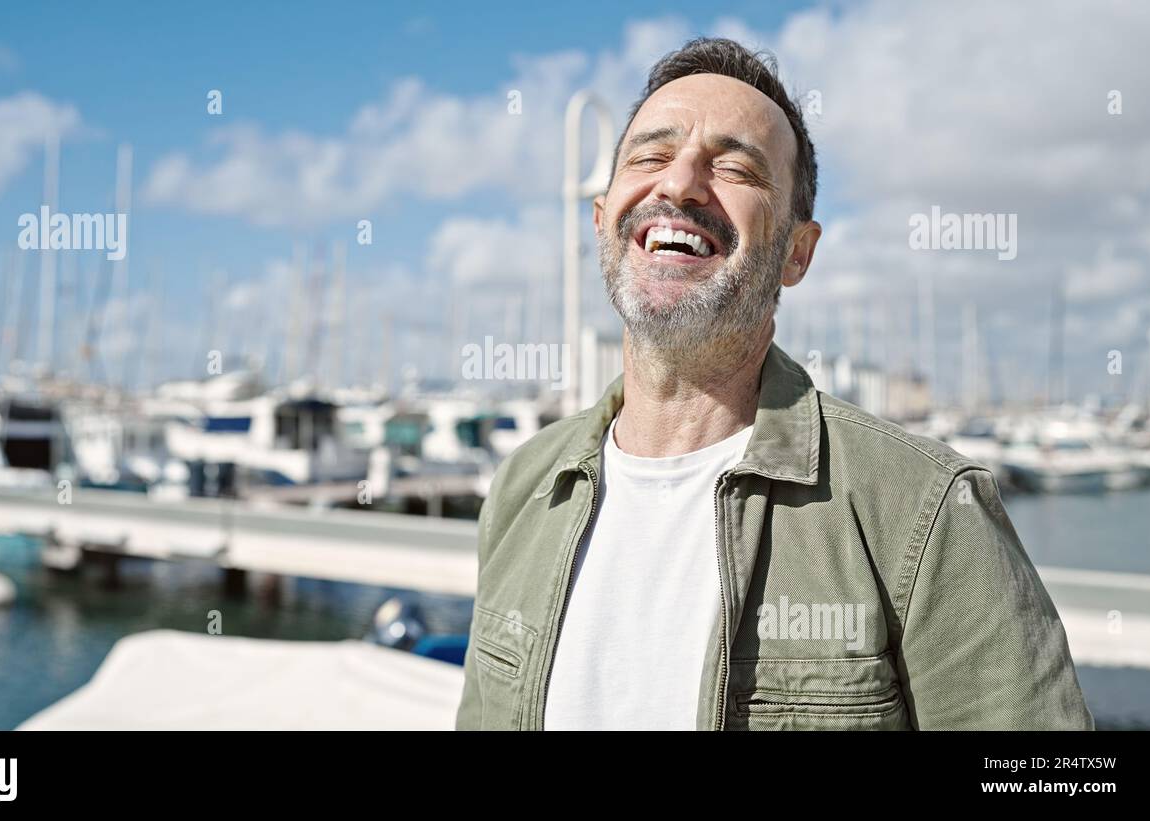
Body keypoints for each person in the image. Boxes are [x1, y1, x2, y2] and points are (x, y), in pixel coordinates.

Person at [455, 37, 1092, 730]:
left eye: (735, 166)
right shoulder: (523, 490)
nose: (679, 183)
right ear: (603, 219)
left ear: (797, 252)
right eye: (651, 155)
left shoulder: (923, 510)